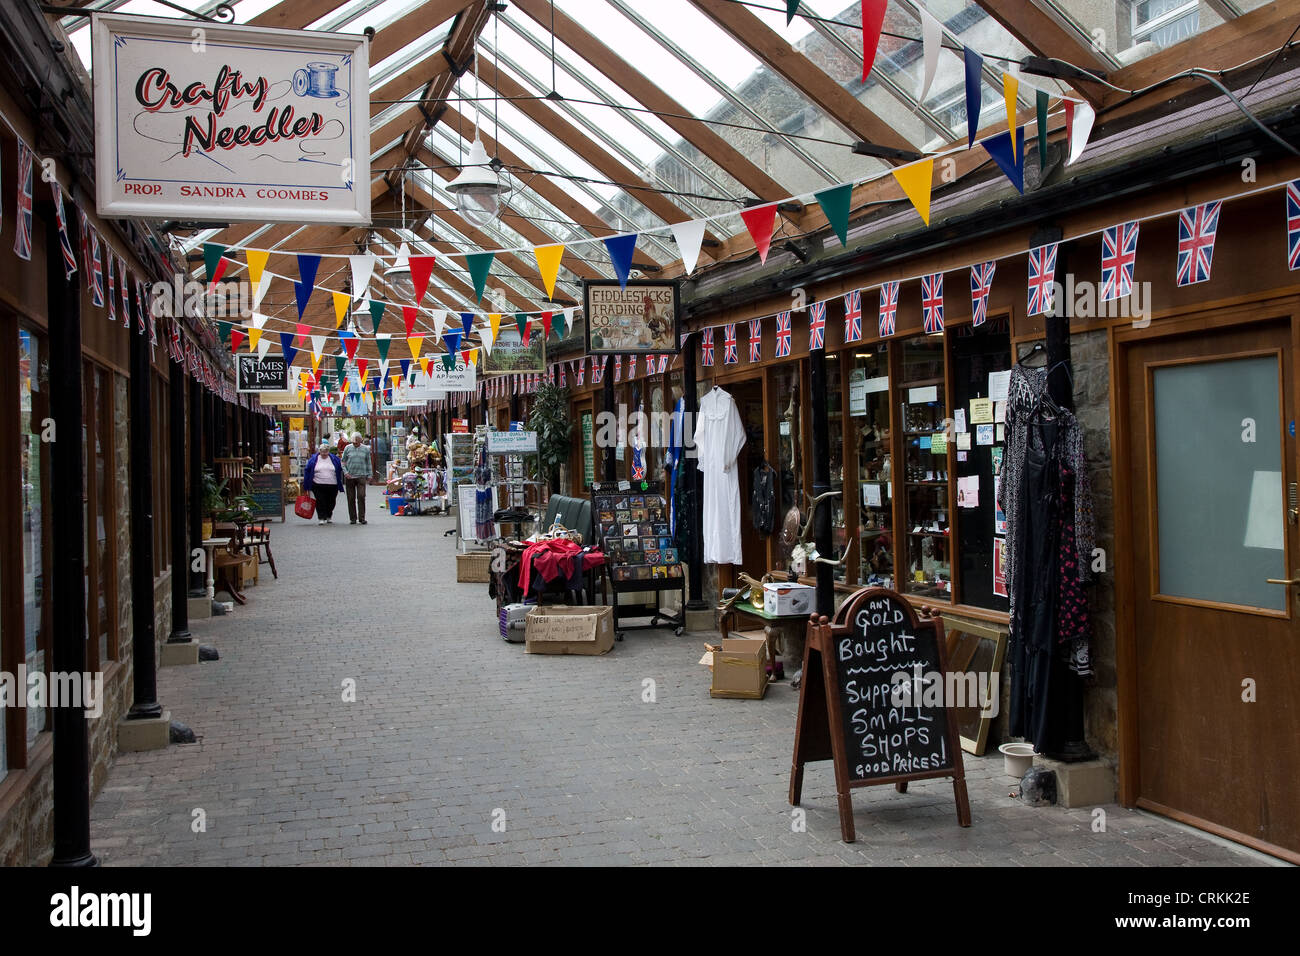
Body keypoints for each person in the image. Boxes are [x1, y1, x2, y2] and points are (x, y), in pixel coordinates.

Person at [303, 441, 343, 525]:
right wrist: (306, 485)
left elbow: (340, 468)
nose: (324, 453)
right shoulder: (313, 459)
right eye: (322, 452)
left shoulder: (334, 459)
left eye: (326, 452)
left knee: (331, 501)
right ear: (319, 451)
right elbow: (307, 470)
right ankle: (321, 517)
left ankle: (328, 515)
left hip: (332, 484)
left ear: (328, 451)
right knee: (320, 501)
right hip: (317, 484)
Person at [341, 431, 371, 524]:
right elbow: (343, 462)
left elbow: (368, 462)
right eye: (353, 442)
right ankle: (353, 518)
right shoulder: (347, 448)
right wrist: (345, 472)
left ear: (360, 440)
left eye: (357, 442)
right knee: (350, 498)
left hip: (361, 476)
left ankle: (362, 518)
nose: (355, 444)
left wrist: (370, 474)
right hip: (350, 476)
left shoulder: (365, 449)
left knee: (361, 496)